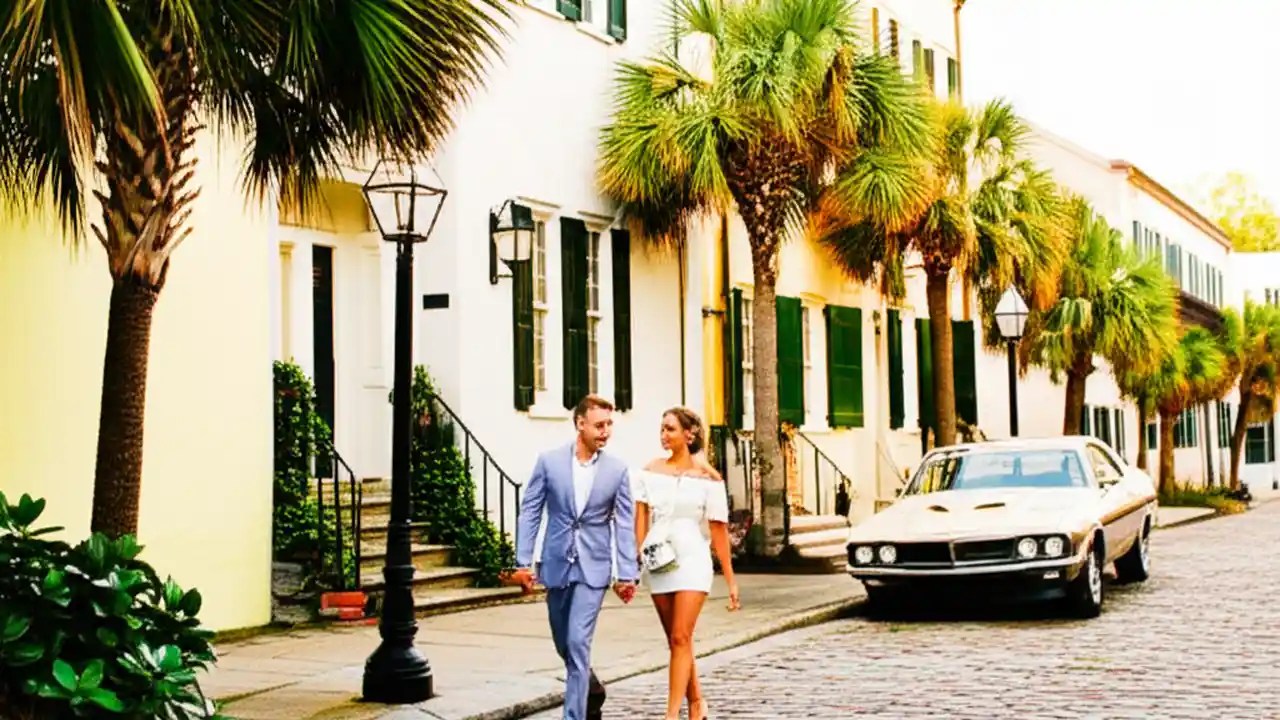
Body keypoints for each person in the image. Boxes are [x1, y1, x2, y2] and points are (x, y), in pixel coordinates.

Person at [512, 395, 638, 720]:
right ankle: (589, 687)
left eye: (609, 425)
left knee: (578, 641)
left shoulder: (617, 470)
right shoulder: (549, 462)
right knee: (563, 641)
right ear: (580, 423)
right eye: (599, 425)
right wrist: (523, 562)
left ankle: (573, 715)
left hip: (594, 567)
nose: (606, 431)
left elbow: (625, 523)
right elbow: (531, 511)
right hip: (556, 564)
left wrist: (627, 573)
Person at [632, 407, 740, 720]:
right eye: (662, 429)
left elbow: (718, 530)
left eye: (670, 429)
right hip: (658, 561)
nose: (663, 435)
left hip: (693, 560)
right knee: (677, 640)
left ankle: (670, 715)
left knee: (681, 636)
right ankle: (697, 704)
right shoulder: (650, 471)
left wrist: (731, 580)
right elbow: (640, 518)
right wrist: (635, 557)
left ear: (688, 434)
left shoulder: (708, 478)